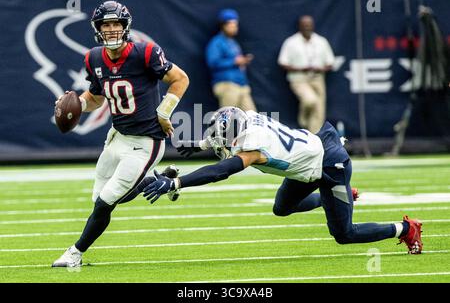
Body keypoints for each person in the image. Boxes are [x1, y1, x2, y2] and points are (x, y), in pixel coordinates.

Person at [138, 107, 423, 255]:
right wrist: (201, 144)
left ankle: (404, 228)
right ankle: (336, 198)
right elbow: (227, 131)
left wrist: (177, 183)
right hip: (310, 155)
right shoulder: (246, 117)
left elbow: (220, 171)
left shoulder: (254, 150)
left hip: (329, 165)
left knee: (344, 234)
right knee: (281, 207)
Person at [51, 0, 189, 267]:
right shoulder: (93, 57)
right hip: (117, 136)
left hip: (146, 142)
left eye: (116, 24)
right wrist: (77, 104)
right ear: (98, 29)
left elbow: (180, 78)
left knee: (105, 202)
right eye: (106, 25)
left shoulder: (145, 52)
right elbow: (95, 97)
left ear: (125, 27)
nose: (111, 29)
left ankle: (75, 253)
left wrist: (164, 111)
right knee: (104, 197)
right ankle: (160, 179)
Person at [278, 15, 335, 134]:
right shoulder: (291, 42)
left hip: (317, 78)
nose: (307, 27)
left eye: (309, 25)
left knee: (319, 111)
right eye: (305, 25)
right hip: (299, 79)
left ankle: (314, 137)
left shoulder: (321, 41)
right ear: (300, 26)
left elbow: (330, 63)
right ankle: (303, 120)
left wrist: (320, 68)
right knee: (310, 101)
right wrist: (300, 69)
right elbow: (283, 62)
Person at [205, 8, 257, 112]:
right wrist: (234, 61)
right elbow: (212, 63)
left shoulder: (233, 42)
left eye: (235, 25)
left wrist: (243, 61)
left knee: (252, 116)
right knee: (228, 118)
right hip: (227, 85)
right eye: (231, 25)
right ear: (223, 25)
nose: (234, 28)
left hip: (242, 85)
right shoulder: (216, 42)